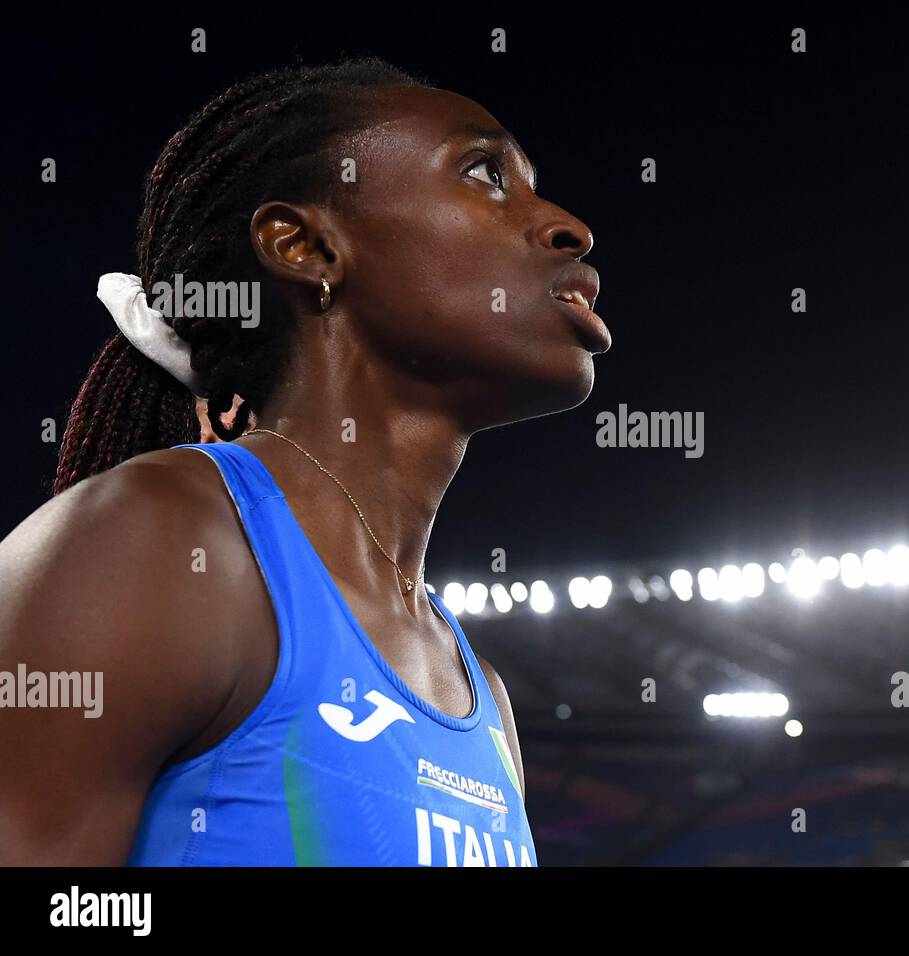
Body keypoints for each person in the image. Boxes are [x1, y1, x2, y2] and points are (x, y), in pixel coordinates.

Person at [0, 58, 610, 865]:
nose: (569, 226)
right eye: (485, 173)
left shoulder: (482, 698)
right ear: (305, 247)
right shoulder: (163, 542)